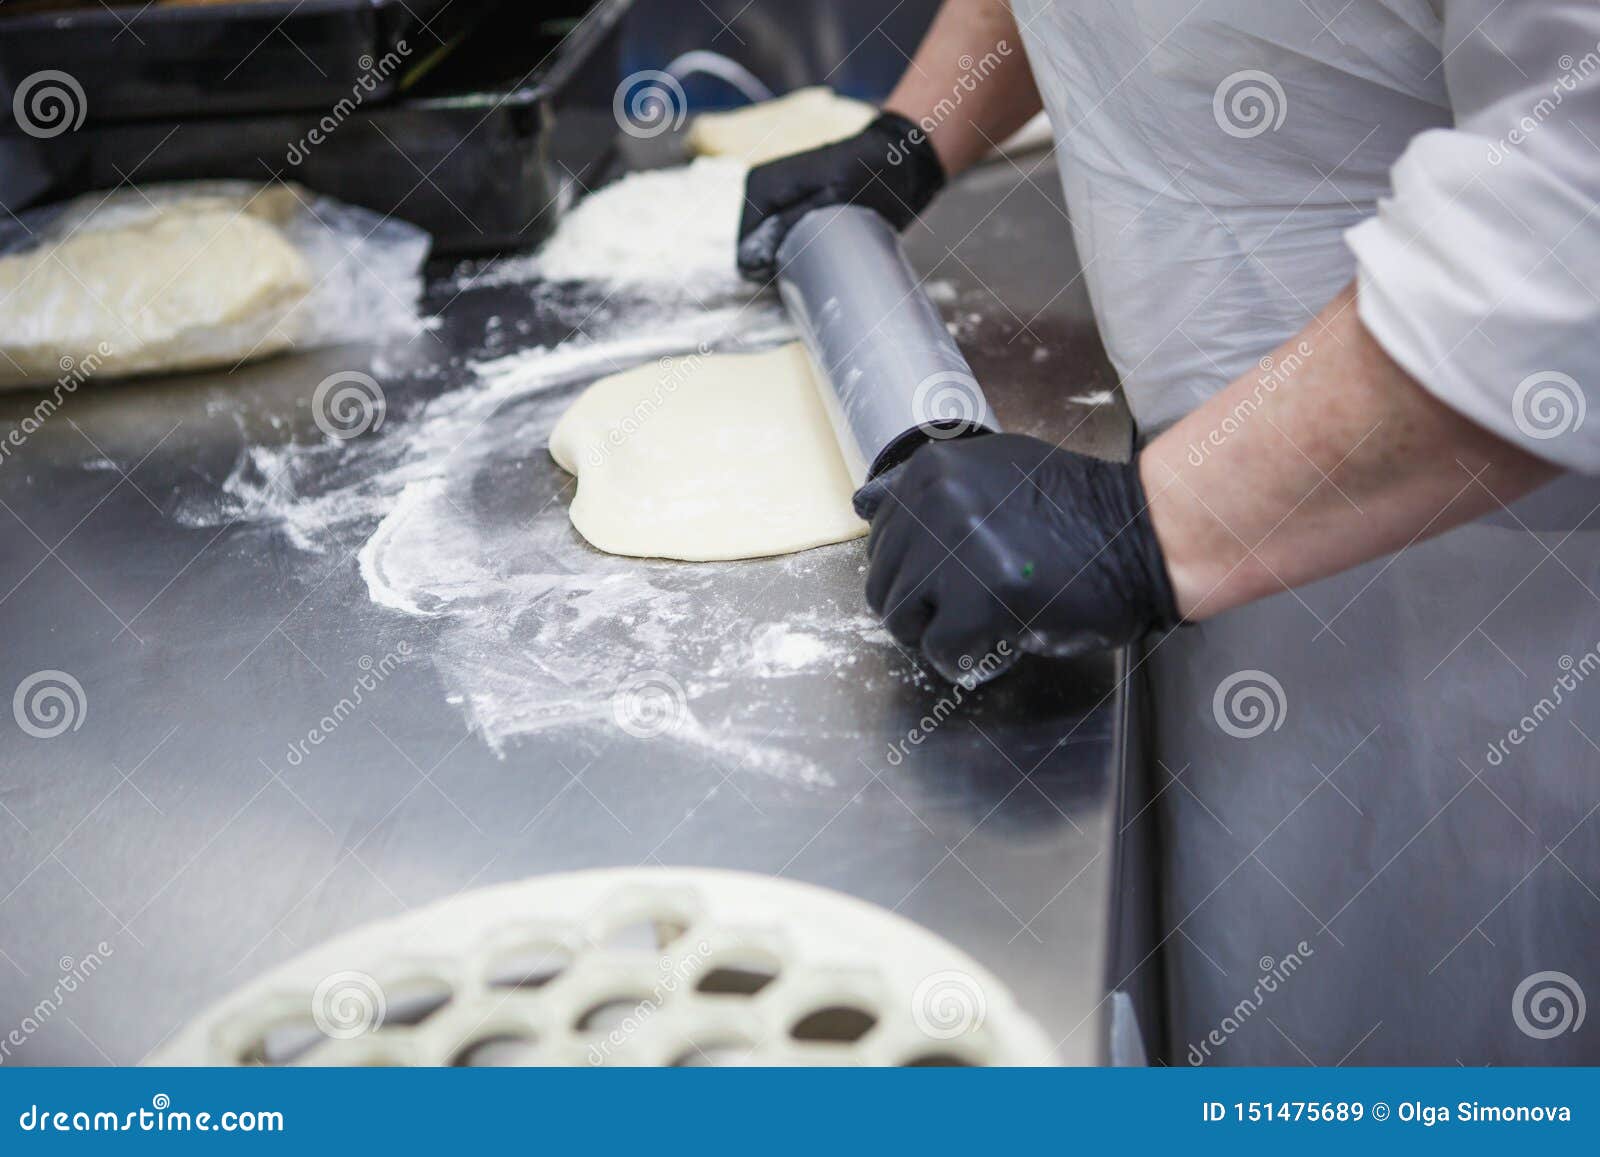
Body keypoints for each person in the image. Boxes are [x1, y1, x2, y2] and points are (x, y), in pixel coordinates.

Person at [738, 0, 1600, 1065]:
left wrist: (1143, 524)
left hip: (1485, 606)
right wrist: (915, 136)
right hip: (1217, 550)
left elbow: (1572, 208)